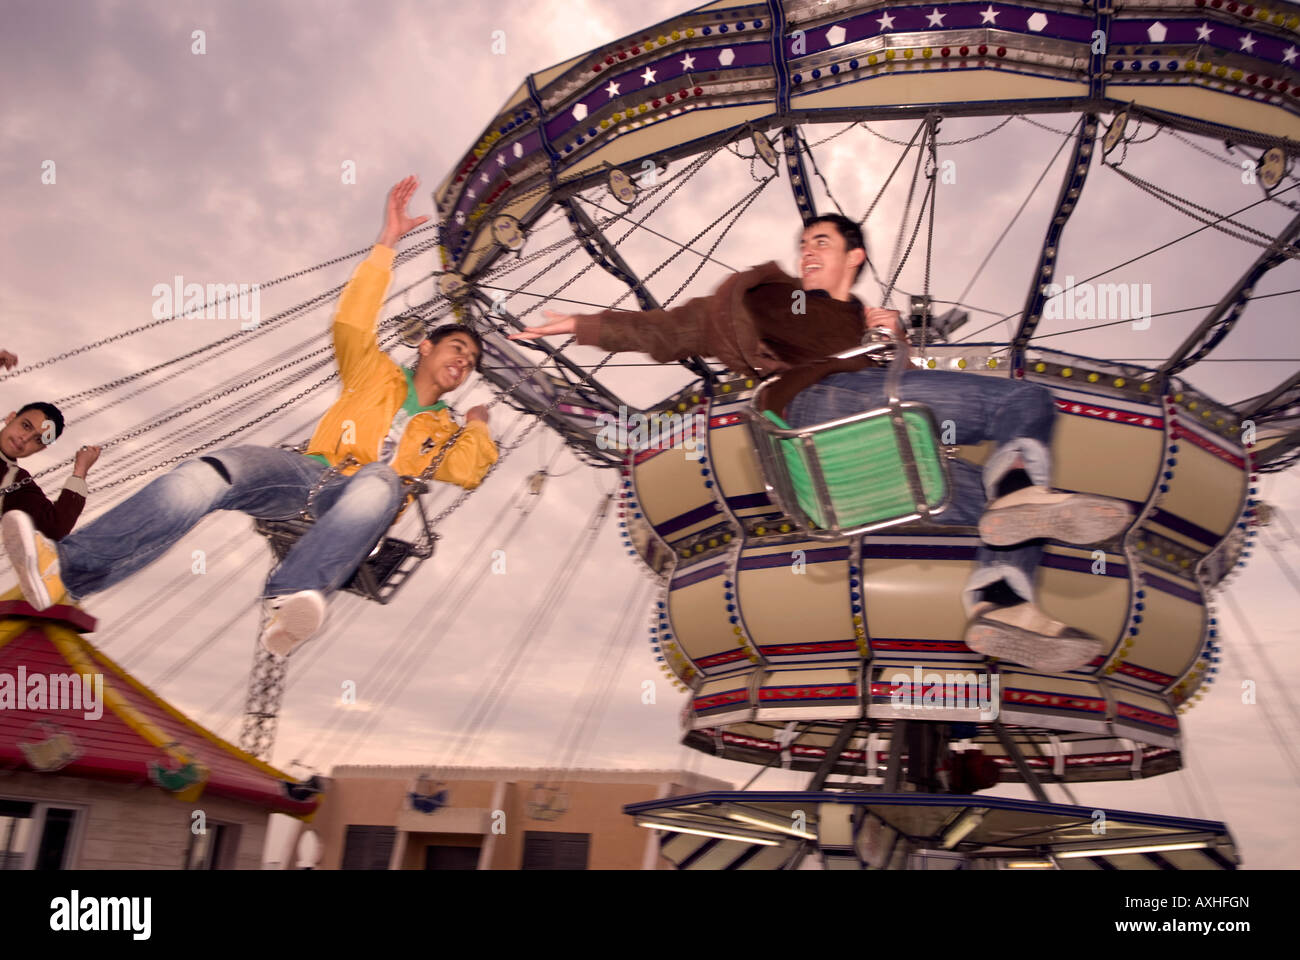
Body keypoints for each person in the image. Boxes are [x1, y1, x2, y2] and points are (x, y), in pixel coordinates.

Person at [511, 213, 1129, 673]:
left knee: (1005, 518)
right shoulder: (774, 298)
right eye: (804, 242)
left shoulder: (857, 321)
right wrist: (580, 325)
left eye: (822, 243)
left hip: (865, 471)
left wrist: (882, 335)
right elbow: (673, 329)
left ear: (854, 257)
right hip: (829, 412)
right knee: (1026, 401)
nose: (807, 250)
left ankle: (1000, 602)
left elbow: (873, 358)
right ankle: (1020, 494)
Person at [3, 177, 499, 656]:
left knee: (381, 481)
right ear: (426, 345)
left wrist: (476, 423)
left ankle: (293, 595)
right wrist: (387, 244)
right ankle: (64, 570)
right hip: (309, 470)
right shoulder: (375, 372)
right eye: (457, 347)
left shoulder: (446, 433)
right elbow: (352, 319)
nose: (463, 361)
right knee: (210, 472)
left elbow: (472, 468)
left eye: (471, 363)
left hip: (358, 499)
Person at [0, 396, 102, 542]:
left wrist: (80, 471)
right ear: (11, 418)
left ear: (42, 448)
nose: (25, 438)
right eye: (26, 426)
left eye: (38, 440)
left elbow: (54, 529)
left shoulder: (15, 481)